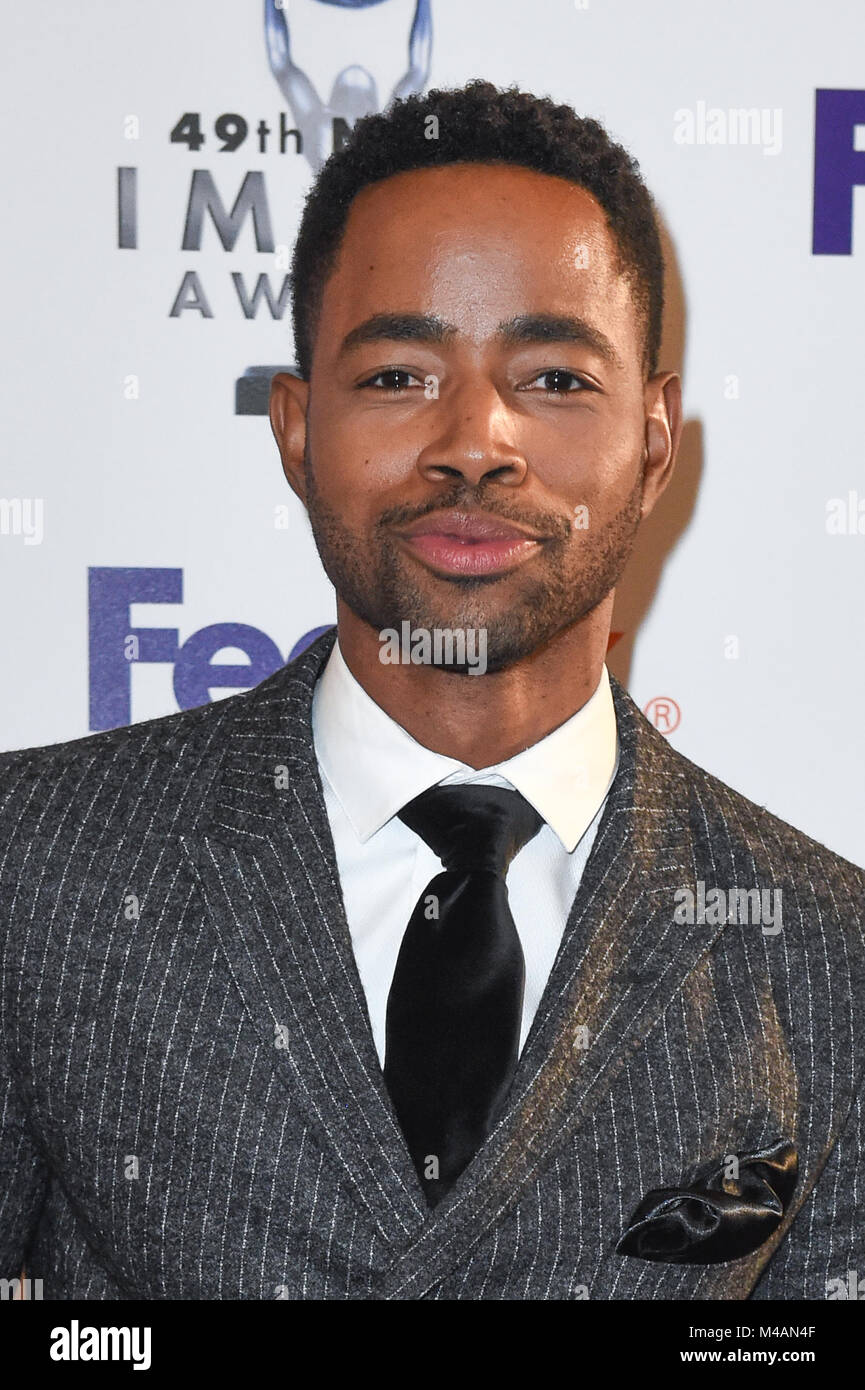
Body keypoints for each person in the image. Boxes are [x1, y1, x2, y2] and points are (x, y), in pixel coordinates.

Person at [1, 81, 863, 1302]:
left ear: (656, 442)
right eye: (400, 374)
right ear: (296, 430)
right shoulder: (37, 868)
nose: (473, 439)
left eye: (555, 379)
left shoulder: (829, 960)